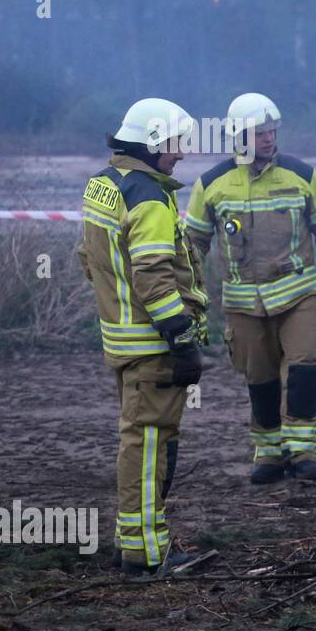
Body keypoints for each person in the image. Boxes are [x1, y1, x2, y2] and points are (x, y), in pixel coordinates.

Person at [76, 98, 209, 575]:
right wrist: (181, 337)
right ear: (153, 143)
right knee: (150, 443)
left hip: (122, 341)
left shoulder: (105, 187)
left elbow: (88, 259)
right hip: (153, 347)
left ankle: (130, 541)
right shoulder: (149, 198)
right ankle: (145, 553)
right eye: (176, 144)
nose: (182, 154)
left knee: (138, 439)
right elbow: (153, 276)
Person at [184, 93, 316, 483]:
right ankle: (268, 455)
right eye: (259, 133)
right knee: (261, 378)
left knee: (303, 369)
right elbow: (193, 246)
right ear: (238, 136)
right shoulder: (211, 184)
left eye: (272, 131)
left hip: (299, 292)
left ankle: (303, 451)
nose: (268, 139)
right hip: (243, 303)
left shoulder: (302, 175)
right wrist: (183, 292)